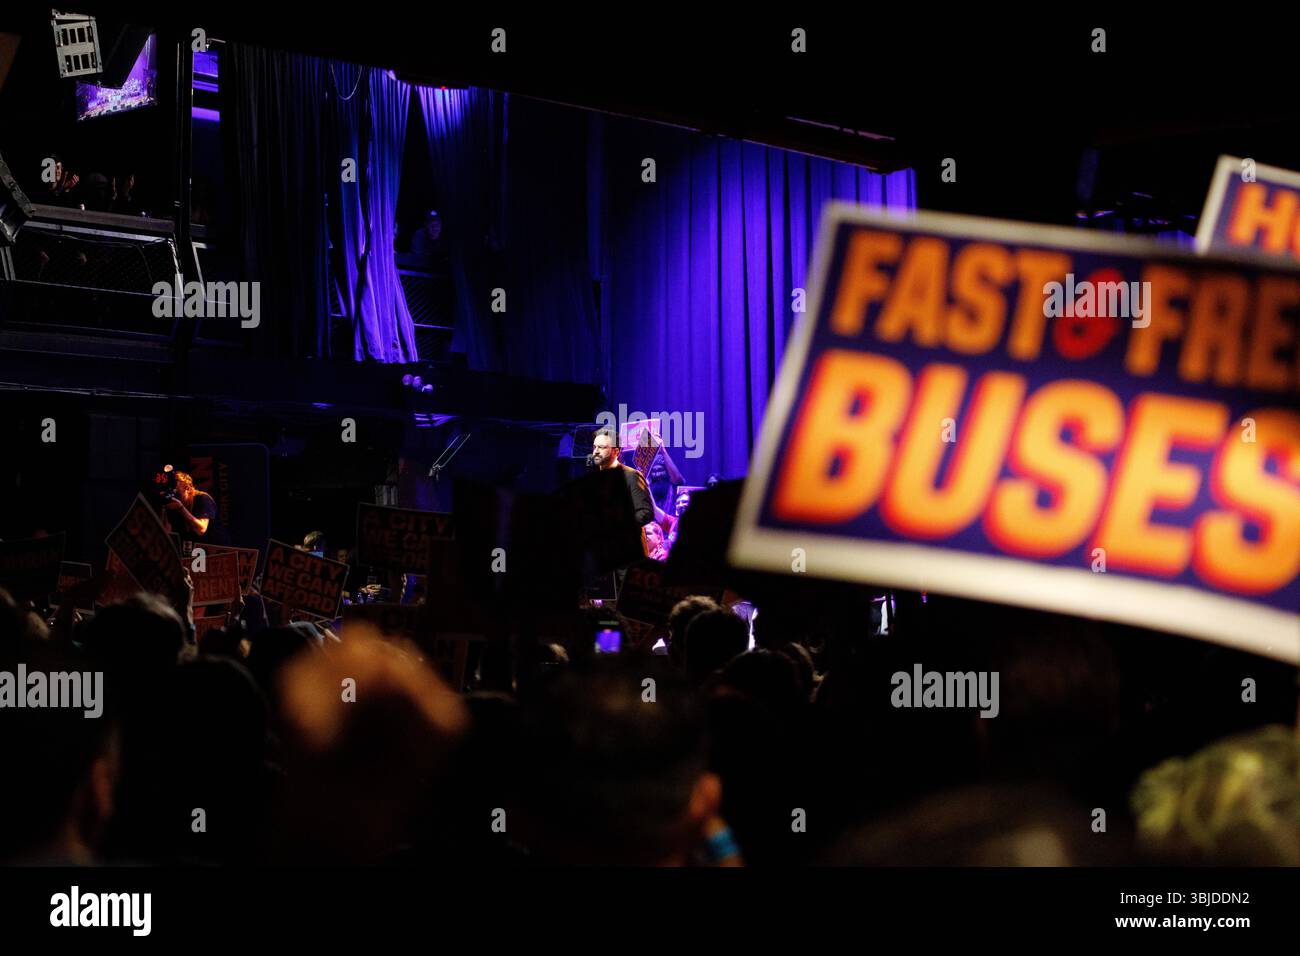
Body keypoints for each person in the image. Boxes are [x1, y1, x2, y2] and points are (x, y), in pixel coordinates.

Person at [589, 427, 654, 527]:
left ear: (616, 452)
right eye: (594, 447)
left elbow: (645, 512)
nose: (596, 452)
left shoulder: (631, 476)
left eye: (602, 447)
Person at [161, 470, 218, 540]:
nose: (173, 493)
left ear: (187, 488)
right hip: (193, 548)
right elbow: (167, 532)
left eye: (175, 490)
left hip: (216, 547)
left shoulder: (203, 498)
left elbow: (201, 530)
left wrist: (181, 508)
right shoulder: (174, 504)